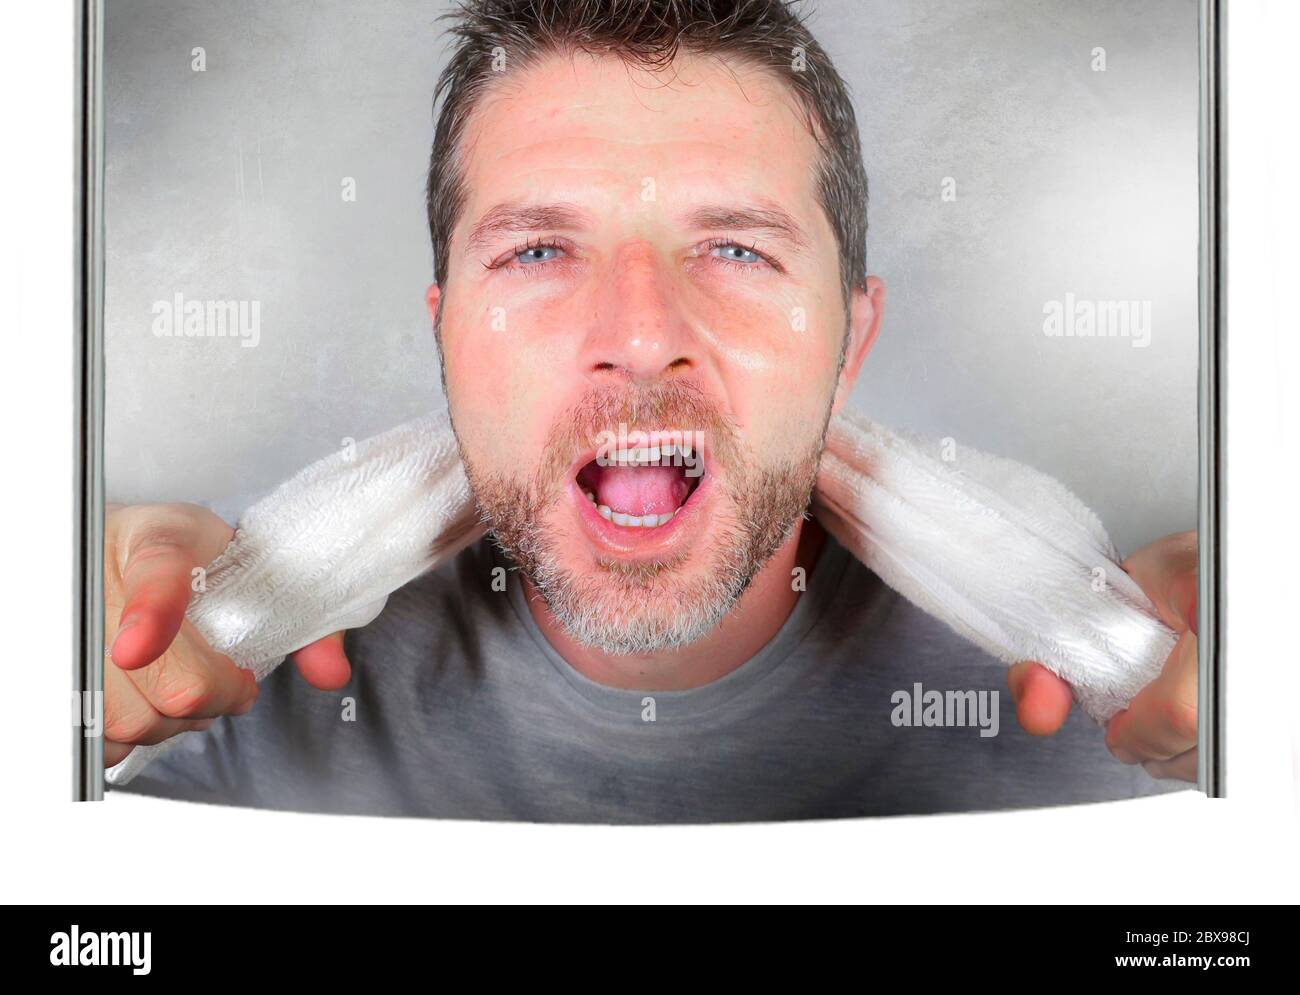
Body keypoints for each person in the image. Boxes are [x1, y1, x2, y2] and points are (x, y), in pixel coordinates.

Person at [105, 0, 1198, 821]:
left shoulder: (1145, 736)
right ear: (444, 332)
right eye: (537, 249)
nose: (636, 332)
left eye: (734, 247)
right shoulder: (235, 713)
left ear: (850, 343)